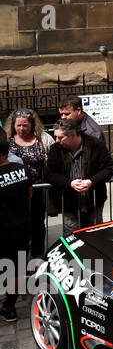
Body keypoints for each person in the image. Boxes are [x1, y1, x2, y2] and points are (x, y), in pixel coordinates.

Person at [44, 121, 113, 237]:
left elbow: (108, 168)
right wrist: (69, 183)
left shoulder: (95, 145)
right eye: (55, 136)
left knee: (96, 235)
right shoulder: (56, 149)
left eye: (60, 137)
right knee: (72, 237)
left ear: (73, 135)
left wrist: (91, 182)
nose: (57, 140)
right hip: (68, 202)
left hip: (94, 200)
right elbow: (49, 174)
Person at [6, 109, 52, 259]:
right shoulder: (7, 140)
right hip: (14, 191)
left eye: (25, 125)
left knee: (37, 223)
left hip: (37, 189)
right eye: (18, 125)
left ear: (32, 125)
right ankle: (20, 257)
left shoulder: (42, 139)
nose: (21, 129)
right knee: (18, 224)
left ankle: (38, 256)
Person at [0, 132, 31, 322]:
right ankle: (10, 306)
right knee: (17, 268)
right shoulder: (21, 169)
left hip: (3, 230)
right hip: (21, 227)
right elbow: (29, 194)